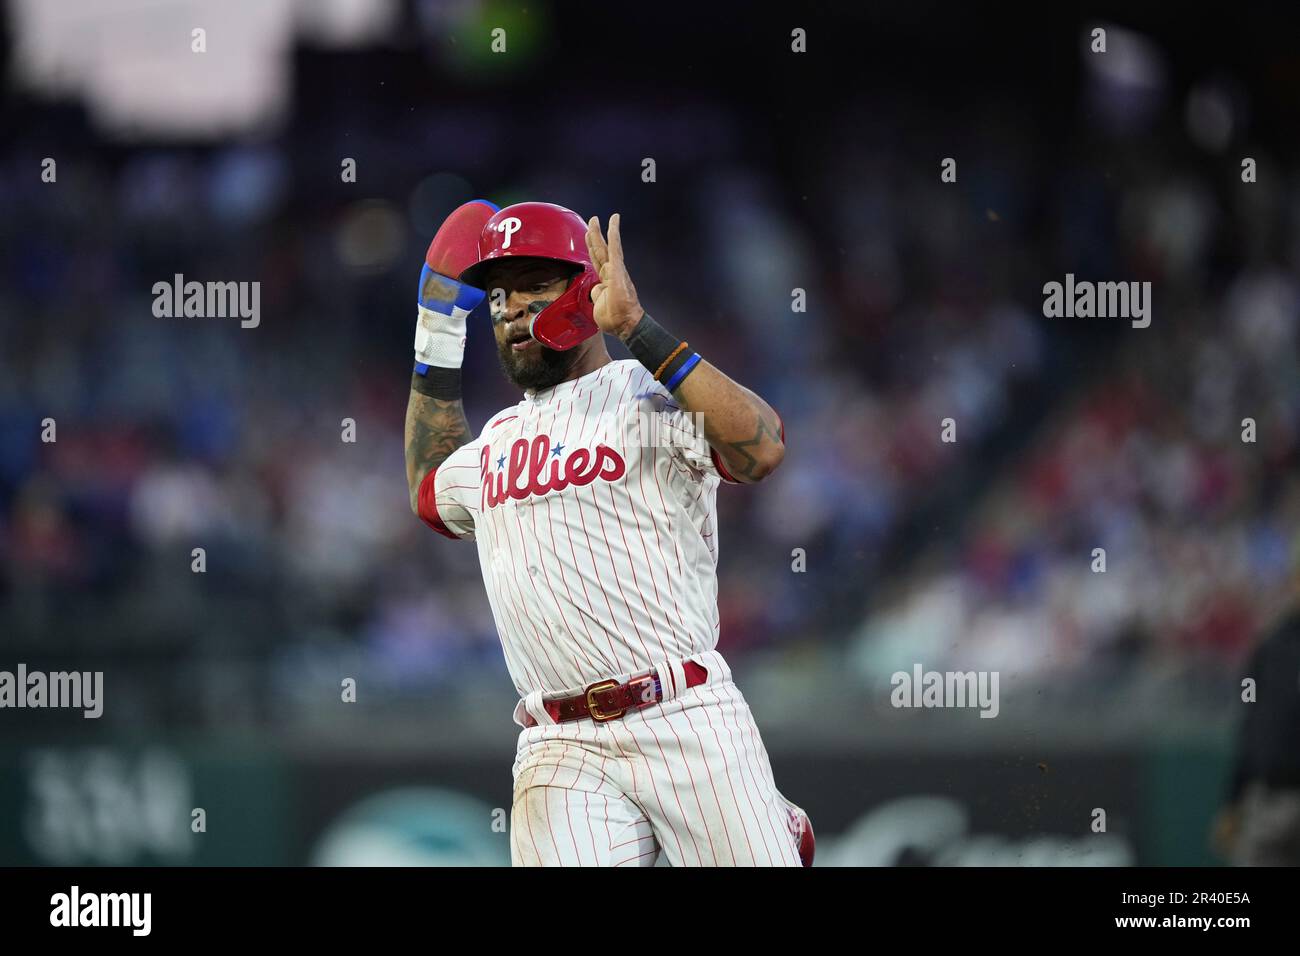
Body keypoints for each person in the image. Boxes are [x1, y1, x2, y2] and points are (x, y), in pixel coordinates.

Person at [403, 199, 813, 866]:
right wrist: (436, 330)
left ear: (586, 288)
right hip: (557, 743)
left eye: (536, 283)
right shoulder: (497, 440)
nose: (510, 308)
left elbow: (760, 448)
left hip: (682, 715)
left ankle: (767, 823)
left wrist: (637, 329)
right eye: (498, 294)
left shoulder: (642, 393)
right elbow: (428, 490)